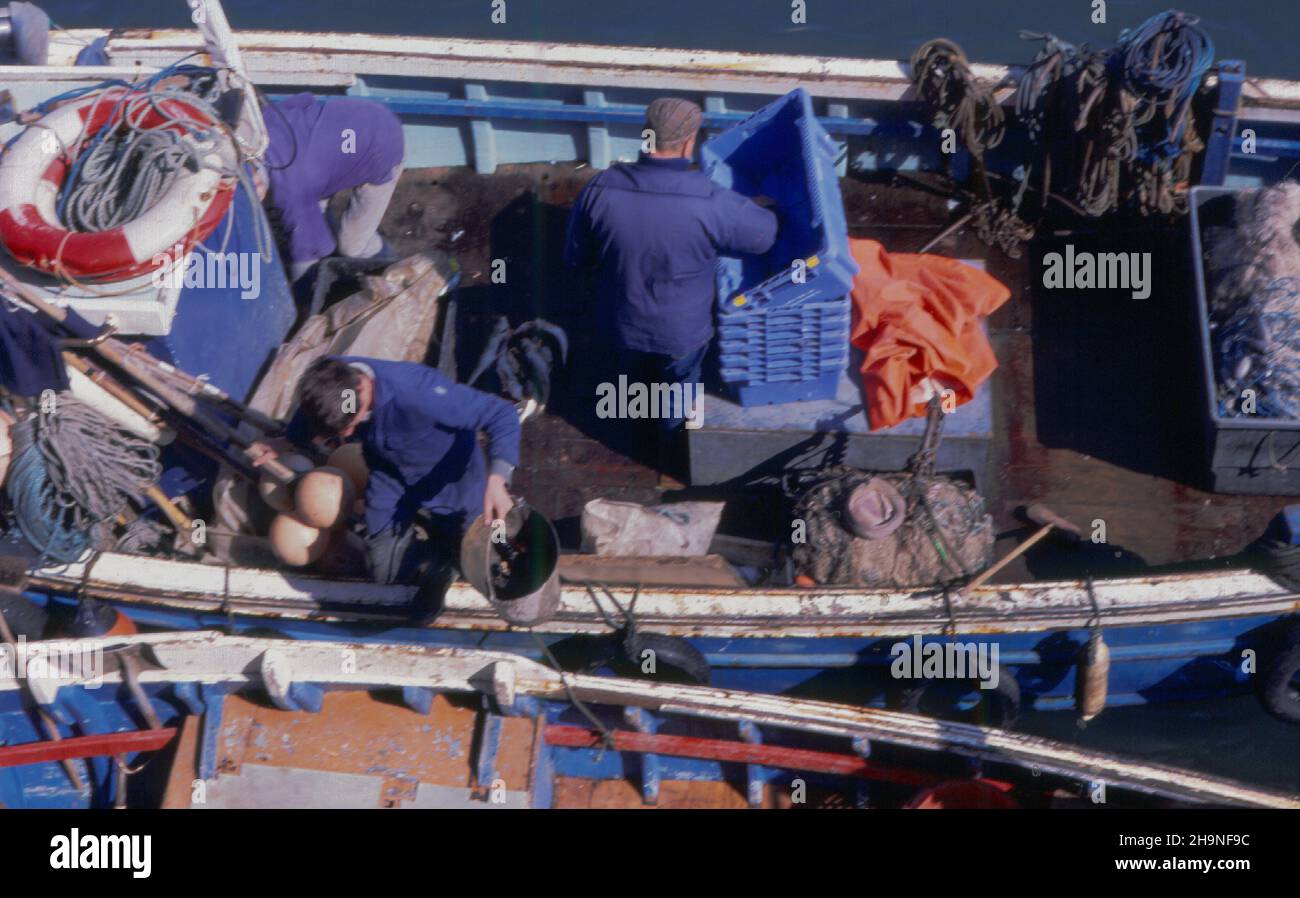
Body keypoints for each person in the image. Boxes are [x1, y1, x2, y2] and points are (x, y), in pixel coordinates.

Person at [563, 97, 778, 442]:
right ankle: (671, 433)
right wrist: (750, 208)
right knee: (679, 381)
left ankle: (628, 410)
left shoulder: (599, 188)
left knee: (628, 371)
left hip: (617, 324)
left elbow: (576, 257)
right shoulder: (712, 201)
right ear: (690, 142)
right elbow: (765, 237)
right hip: (681, 336)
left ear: (646, 136)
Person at [260, 357, 520, 592]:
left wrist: (498, 479)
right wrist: (287, 441)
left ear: (361, 388)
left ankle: (454, 550)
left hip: (452, 482)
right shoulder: (335, 381)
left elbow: (501, 414)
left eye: (350, 425)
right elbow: (312, 410)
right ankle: (438, 561)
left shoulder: (421, 394)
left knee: (484, 552)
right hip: (390, 478)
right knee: (386, 571)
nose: (348, 436)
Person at [261, 93, 405, 285]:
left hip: (385, 146)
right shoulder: (260, 123)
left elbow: (308, 254)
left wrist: (300, 298)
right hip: (358, 114)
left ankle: (389, 262)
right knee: (311, 211)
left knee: (351, 247)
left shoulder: (289, 189)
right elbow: (303, 100)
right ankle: (325, 228)